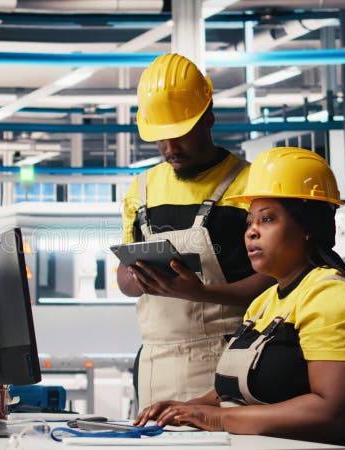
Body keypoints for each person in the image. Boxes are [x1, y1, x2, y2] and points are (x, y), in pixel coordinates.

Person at [134, 147, 345, 450]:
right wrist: (186, 407)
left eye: (268, 219)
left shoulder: (332, 298)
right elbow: (236, 389)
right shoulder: (266, 301)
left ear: (307, 227)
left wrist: (217, 419)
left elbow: (335, 412)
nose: (251, 233)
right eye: (249, 223)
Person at [117, 53, 274, 410]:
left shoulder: (252, 185)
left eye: (180, 134)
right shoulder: (140, 189)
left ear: (208, 119)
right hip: (156, 364)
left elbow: (275, 280)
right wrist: (138, 278)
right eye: (160, 138)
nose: (170, 149)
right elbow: (122, 278)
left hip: (230, 359)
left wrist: (201, 293)